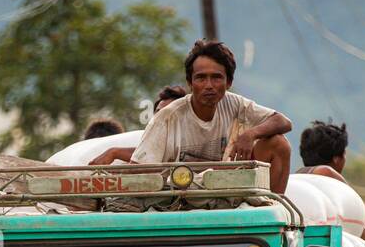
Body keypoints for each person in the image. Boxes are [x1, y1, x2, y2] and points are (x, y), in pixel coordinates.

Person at [124, 39, 293, 193]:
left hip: (221, 190)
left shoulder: (235, 103)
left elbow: (283, 121)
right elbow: (138, 169)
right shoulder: (168, 117)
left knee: (279, 144)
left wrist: (251, 134)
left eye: (216, 78)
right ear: (190, 83)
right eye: (201, 78)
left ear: (229, 83)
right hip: (177, 198)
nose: (209, 86)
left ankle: (271, 213)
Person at [89, 85, 187, 166]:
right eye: (158, 113)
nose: (160, 118)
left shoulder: (193, 140)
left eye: (167, 113)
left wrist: (115, 152)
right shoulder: (149, 140)